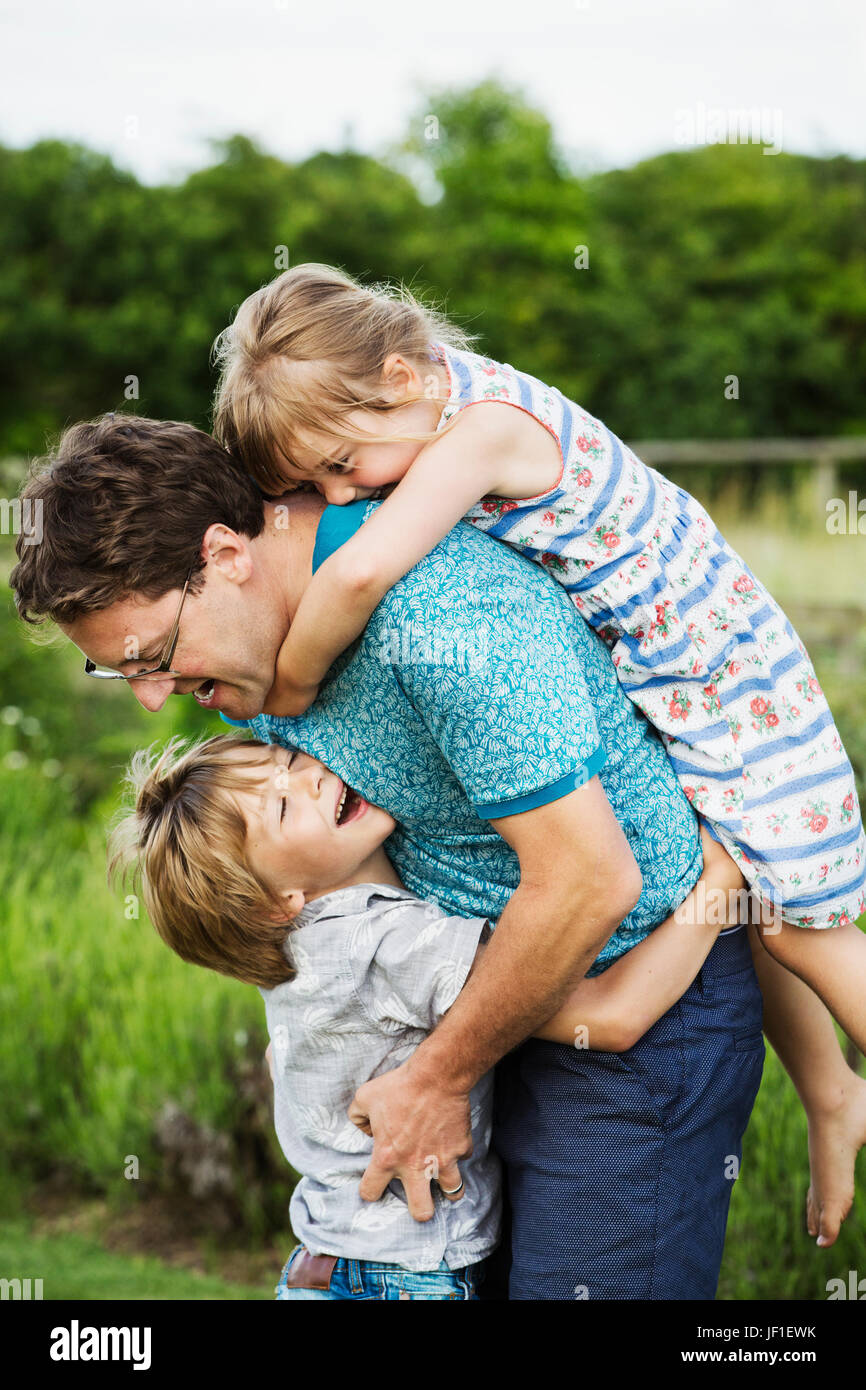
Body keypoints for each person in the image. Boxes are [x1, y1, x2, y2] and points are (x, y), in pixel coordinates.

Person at [11, 416, 865, 1297]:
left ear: (226, 554)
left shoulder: (446, 622)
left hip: (630, 1019)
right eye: (120, 673)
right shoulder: (250, 675)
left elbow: (590, 883)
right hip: (475, 1025)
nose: (154, 700)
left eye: (151, 656)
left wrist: (435, 1077)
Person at [212, 263, 866, 1060]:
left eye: (341, 464)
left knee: (802, 928)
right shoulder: (432, 404)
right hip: (672, 664)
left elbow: (358, 571)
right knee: (766, 898)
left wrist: (291, 679)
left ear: (399, 375)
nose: (341, 497)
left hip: (718, 670)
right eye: (313, 483)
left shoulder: (485, 429)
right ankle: (834, 1100)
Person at [110, 733, 740, 1300]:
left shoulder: (297, 958)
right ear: (280, 901)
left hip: (322, 1262)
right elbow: (612, 1017)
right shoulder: (392, 943)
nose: (315, 777)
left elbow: (283, 1062)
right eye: (281, 808)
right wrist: (719, 882)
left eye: (291, 761)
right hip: (404, 1278)